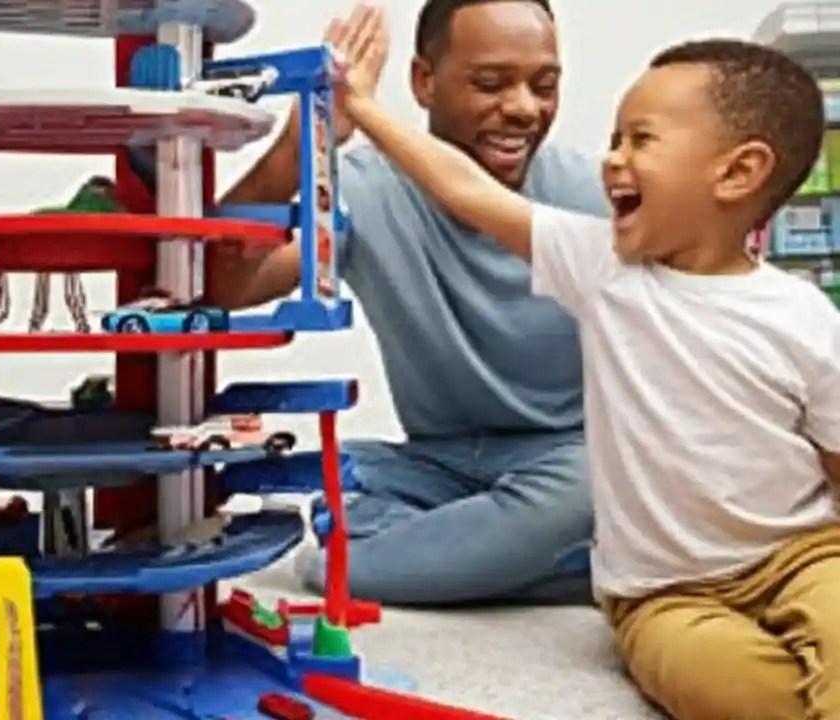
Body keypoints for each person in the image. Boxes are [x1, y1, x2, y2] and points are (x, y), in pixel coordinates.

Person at [339, 34, 840, 720]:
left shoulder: (804, 317)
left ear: (737, 173)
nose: (612, 159)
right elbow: (463, 189)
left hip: (801, 556)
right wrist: (364, 108)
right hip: (666, 591)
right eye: (613, 139)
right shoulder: (601, 268)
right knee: (730, 690)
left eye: (641, 140)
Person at [211, 0, 608, 605]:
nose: (524, 108)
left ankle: (368, 568)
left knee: (593, 490)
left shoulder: (594, 196)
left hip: (569, 460)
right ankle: (544, 567)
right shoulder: (364, 189)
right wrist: (297, 149)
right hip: (435, 464)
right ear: (424, 81)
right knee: (330, 478)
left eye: (544, 85)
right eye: (491, 84)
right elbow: (224, 287)